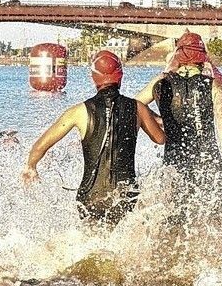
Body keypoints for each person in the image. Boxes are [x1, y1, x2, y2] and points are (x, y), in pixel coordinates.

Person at [22, 50, 165, 223]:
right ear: (120, 77)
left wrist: (30, 166)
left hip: (90, 195)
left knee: (91, 236)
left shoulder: (78, 111)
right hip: (125, 195)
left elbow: (40, 146)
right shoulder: (138, 108)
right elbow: (160, 139)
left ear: (93, 79)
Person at [134, 31, 222, 191]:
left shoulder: (160, 83)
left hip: (174, 168)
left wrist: (157, 119)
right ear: (203, 59)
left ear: (178, 57)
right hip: (210, 166)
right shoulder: (215, 86)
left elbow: (133, 105)